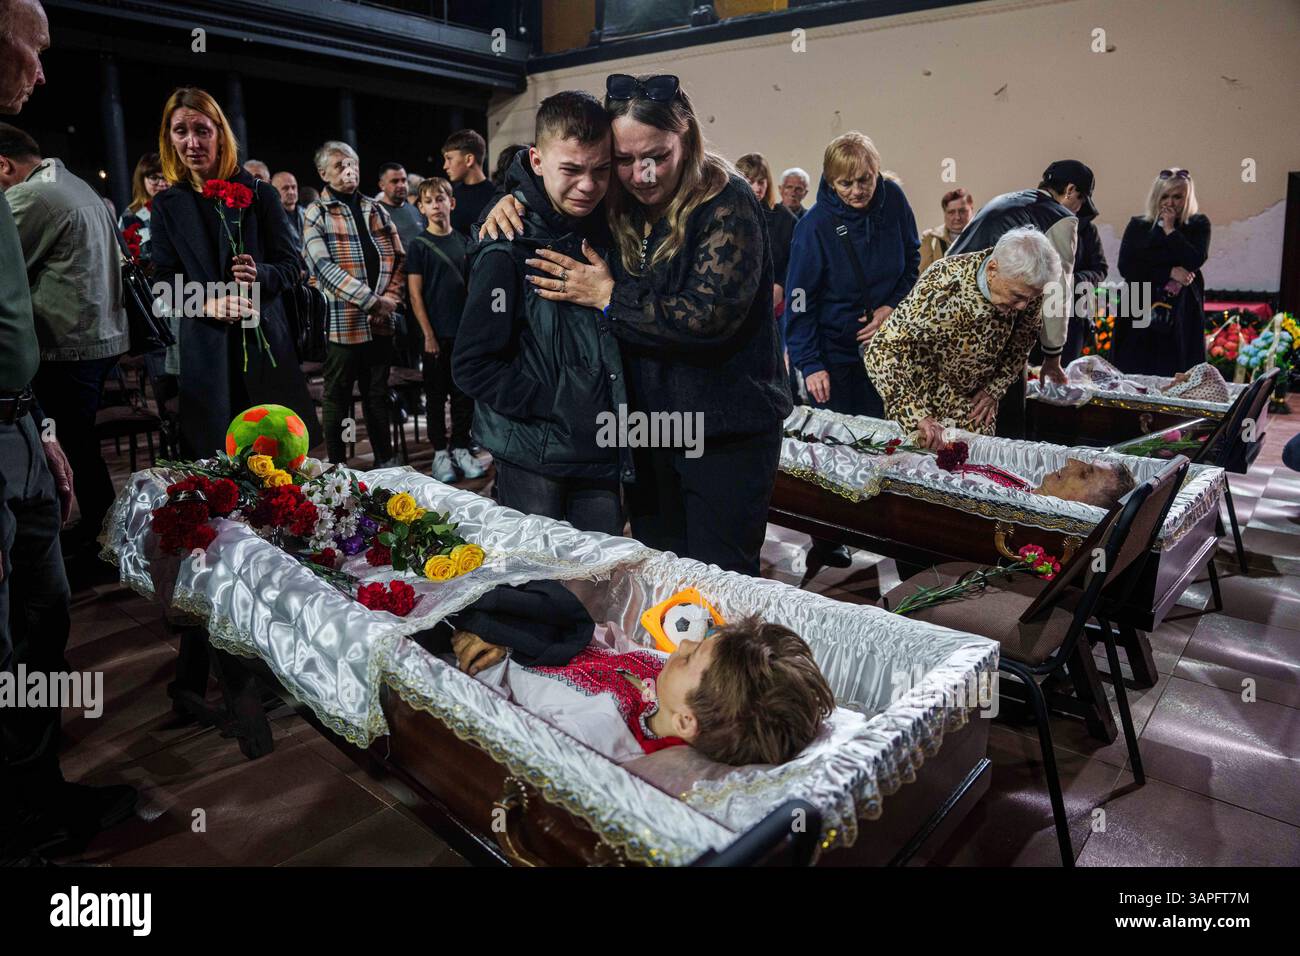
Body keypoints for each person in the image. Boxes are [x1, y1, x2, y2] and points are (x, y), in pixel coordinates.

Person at [480, 74, 792, 575]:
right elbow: (556, 168)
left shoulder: (725, 200)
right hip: (646, 427)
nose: (642, 174)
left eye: (657, 156)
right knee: (658, 575)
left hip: (725, 429)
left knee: (722, 583)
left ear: (685, 138)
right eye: (624, 160)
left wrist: (608, 296)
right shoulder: (616, 198)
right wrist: (514, 195)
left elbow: (707, 318)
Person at [0, 0, 137, 866]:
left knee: (42, 625)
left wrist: (35, 418)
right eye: (33, 49)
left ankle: (37, 795)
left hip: (20, 421)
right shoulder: (44, 186)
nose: (43, 71)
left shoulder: (23, 190)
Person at [453, 91, 627, 536]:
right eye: (570, 169)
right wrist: (555, 403)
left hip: (605, 452)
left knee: (601, 587)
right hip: (534, 457)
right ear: (536, 161)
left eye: (600, 169)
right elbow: (472, 366)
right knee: (539, 589)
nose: (588, 185)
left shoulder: (613, 229)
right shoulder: (505, 245)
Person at [149, 87, 321, 459]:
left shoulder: (259, 193)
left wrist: (260, 274)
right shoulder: (166, 204)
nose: (192, 142)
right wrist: (206, 304)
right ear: (169, 137)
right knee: (216, 461)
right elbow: (161, 281)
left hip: (263, 347)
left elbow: (293, 269)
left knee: (276, 462)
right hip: (206, 349)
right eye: (180, 131)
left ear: (220, 133)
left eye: (202, 130)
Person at [464, 613, 835, 766]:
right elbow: (618, 651)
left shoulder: (598, 734)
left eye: (691, 657)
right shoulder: (668, 687)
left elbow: (500, 718)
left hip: (491, 655)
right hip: (546, 628)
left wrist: (495, 658)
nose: (682, 646)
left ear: (687, 721)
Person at [0, 122, 128, 565]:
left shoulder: (29, 196)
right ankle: (104, 537)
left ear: (3, 164)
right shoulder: (73, 183)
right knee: (81, 446)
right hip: (97, 339)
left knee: (66, 450)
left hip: (65, 345)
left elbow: (5, 267)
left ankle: (91, 544)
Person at [865, 226, 1061, 447]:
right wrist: (915, 413)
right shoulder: (943, 283)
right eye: (1018, 297)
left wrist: (995, 388)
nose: (1023, 306)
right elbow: (881, 349)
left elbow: (1022, 342)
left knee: (973, 472)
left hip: (973, 404)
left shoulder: (1027, 286)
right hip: (920, 399)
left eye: (1031, 298)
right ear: (993, 269)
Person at [945, 160, 1094, 436]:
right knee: (1006, 424)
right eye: (1081, 201)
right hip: (995, 327)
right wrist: (1053, 356)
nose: (1078, 210)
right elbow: (1057, 291)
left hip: (951, 320)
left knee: (956, 426)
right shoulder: (1061, 217)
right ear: (1071, 191)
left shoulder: (1001, 201)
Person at [784, 132, 920, 421]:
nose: (857, 190)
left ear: (876, 173)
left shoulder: (894, 199)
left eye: (865, 180)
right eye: (846, 183)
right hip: (834, 356)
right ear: (832, 183)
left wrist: (891, 307)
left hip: (887, 348)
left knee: (888, 441)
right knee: (843, 445)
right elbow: (798, 301)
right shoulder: (813, 228)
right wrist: (810, 364)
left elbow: (911, 261)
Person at [302, 139, 405, 467]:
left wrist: (390, 298)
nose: (349, 171)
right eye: (339, 166)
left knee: (377, 395)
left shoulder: (374, 208)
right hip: (343, 323)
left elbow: (399, 257)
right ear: (323, 172)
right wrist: (372, 302)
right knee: (338, 397)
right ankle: (338, 465)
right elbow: (323, 269)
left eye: (353, 165)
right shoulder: (317, 213)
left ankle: (384, 462)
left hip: (382, 321)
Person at [407, 177, 482, 484]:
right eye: (429, 201)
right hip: (435, 336)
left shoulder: (465, 242)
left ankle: (461, 447)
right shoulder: (418, 245)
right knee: (436, 397)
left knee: (464, 396)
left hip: (464, 335)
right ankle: (440, 452)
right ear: (421, 207)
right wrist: (427, 334)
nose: (436, 205)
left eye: (441, 199)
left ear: (451, 203)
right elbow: (415, 295)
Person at [1112, 168, 1211, 376]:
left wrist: (1170, 230)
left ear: (1187, 197)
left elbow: (1194, 259)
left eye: (1177, 197)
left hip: (1180, 309)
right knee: (1133, 366)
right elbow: (1127, 267)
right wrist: (1168, 271)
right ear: (1156, 196)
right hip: (1138, 302)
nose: (1170, 203)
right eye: (1165, 196)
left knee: (1176, 367)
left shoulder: (1198, 225)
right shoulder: (1139, 225)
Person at [889, 449, 1136, 509]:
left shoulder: (1011, 503)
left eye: (1084, 474)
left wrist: (904, 457)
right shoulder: (1029, 488)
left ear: (1085, 505)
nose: (1072, 462)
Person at [1062, 203, 1109, 363]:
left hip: (1074, 311)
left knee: (1065, 369)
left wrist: (1075, 280)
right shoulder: (1040, 224)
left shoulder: (1088, 230)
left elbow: (1100, 269)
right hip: (1039, 310)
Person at [441, 128, 495, 236]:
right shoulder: (450, 197)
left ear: (469, 159)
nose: (445, 166)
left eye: (449, 158)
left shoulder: (497, 197)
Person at [118, 152, 168, 269]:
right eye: (154, 178)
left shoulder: (183, 209)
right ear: (141, 180)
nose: (161, 183)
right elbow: (121, 260)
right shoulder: (129, 218)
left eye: (166, 177)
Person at [918, 187, 972, 274]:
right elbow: (922, 275)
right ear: (945, 213)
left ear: (971, 209)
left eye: (962, 211)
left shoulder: (983, 235)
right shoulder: (930, 238)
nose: (957, 217)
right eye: (951, 212)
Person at [270, 169, 305, 248]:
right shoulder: (271, 218)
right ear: (274, 191)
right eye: (285, 188)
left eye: (293, 187)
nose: (291, 192)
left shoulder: (308, 213)